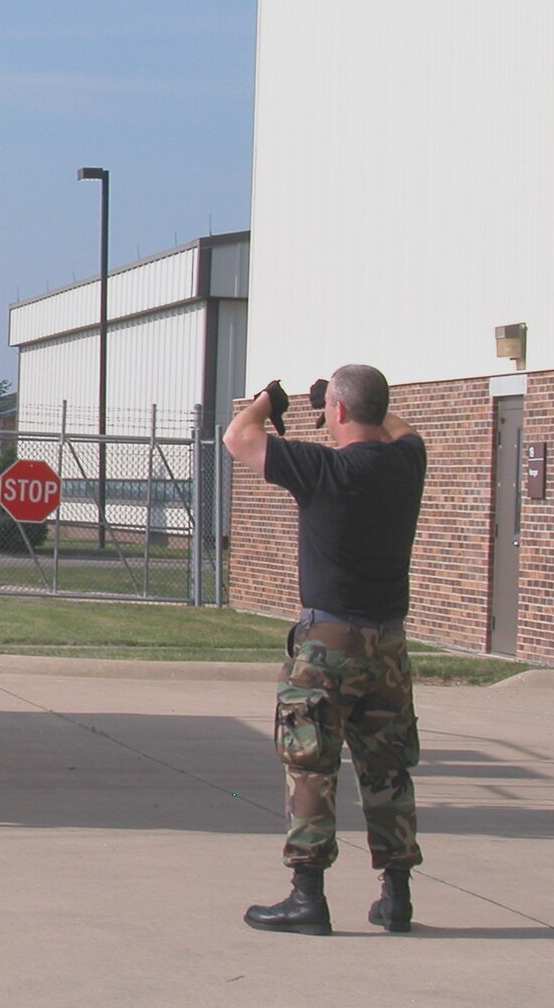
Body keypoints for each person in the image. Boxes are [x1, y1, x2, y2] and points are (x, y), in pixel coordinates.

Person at [223, 364, 425, 935]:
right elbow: (402, 430)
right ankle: (397, 895)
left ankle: (307, 895)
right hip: (388, 643)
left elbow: (238, 436)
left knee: (311, 766)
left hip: (328, 644)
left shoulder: (324, 468)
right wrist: (358, 402)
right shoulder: (408, 465)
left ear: (336, 412)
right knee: (387, 769)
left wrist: (266, 401)